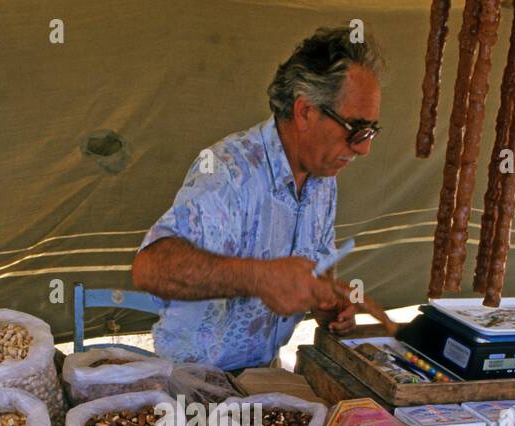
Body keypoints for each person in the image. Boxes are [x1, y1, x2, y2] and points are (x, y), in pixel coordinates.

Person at [131, 26, 387, 371]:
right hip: (194, 381)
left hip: (263, 374)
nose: (364, 148)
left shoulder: (323, 179)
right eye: (355, 129)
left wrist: (327, 303)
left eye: (371, 131)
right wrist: (260, 278)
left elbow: (315, 272)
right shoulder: (229, 172)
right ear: (305, 112)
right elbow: (151, 268)